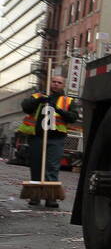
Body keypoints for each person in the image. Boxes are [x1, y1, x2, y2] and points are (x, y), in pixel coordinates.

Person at [19, 74, 77, 208]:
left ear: (63, 85)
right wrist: (39, 101)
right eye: (54, 81)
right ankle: (35, 196)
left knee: (52, 168)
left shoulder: (68, 101)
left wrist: (59, 110)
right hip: (37, 138)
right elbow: (25, 107)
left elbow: (73, 117)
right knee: (36, 166)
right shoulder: (37, 96)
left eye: (59, 82)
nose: (56, 84)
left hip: (55, 139)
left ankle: (51, 198)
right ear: (49, 82)